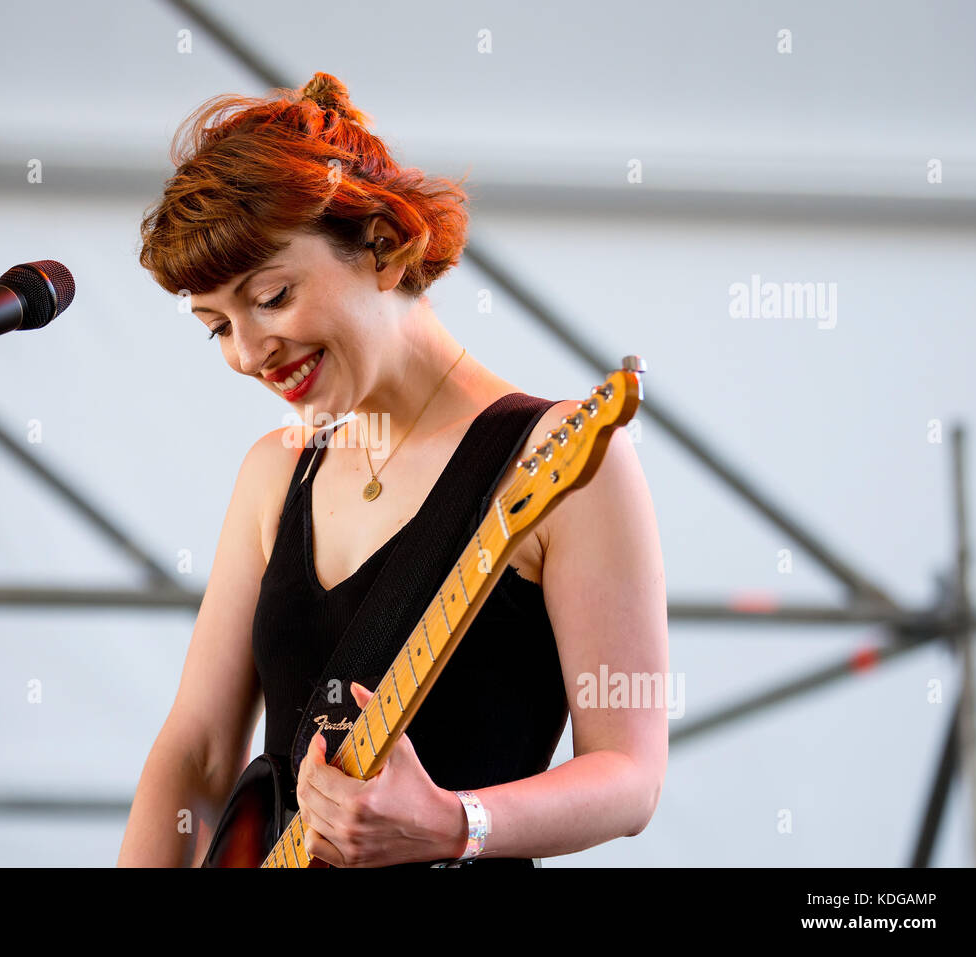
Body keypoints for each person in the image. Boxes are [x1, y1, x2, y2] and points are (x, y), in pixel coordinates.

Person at [117, 71, 668, 868]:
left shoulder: (564, 458)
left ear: (383, 244)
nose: (247, 354)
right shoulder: (276, 472)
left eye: (270, 297)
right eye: (216, 328)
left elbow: (631, 774)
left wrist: (455, 821)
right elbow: (197, 752)